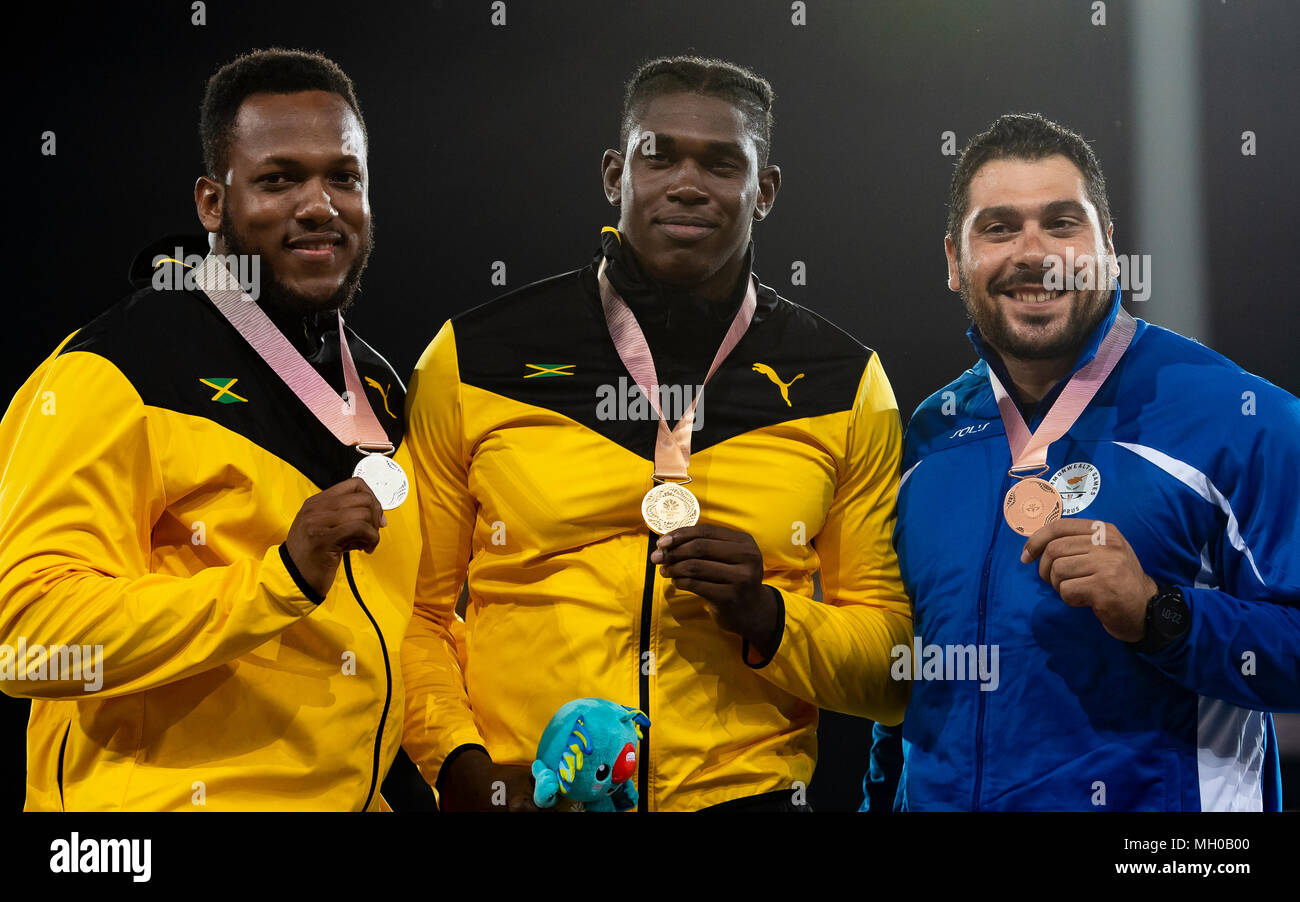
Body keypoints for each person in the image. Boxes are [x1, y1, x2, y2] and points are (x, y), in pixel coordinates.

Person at [401, 55, 912, 812]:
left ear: (764, 191)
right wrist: (459, 769)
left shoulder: (847, 383)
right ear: (615, 174)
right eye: (659, 154)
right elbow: (414, 617)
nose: (687, 182)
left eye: (722, 162)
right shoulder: (474, 356)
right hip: (533, 797)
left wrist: (769, 618)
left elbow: (893, 672)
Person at [0, 48, 421, 810]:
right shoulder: (112, 371)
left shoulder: (383, 388)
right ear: (210, 203)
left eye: (343, 177)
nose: (320, 204)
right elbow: (26, 640)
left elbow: (395, 631)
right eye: (279, 179)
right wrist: (277, 580)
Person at [864, 113, 1300, 812]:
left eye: (1062, 223)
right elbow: (906, 694)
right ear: (953, 260)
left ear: (1109, 248)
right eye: (999, 228)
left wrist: (1163, 616)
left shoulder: (1245, 418)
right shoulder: (926, 435)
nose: (1034, 253)